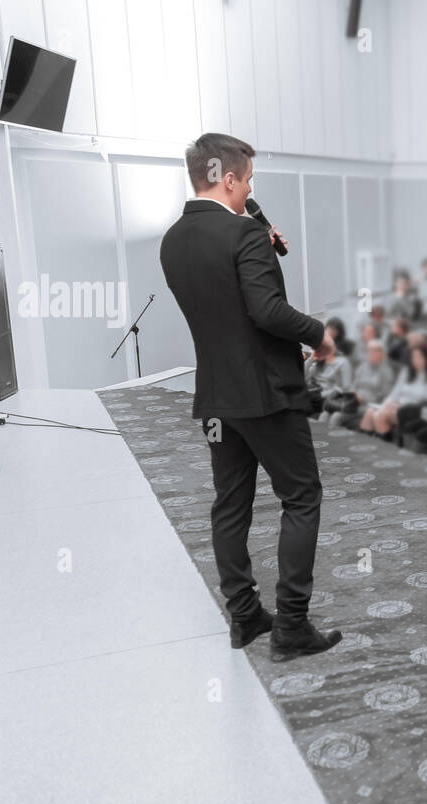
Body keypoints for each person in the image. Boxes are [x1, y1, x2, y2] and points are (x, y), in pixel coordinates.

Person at [159, 132, 341, 659]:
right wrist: (319, 334)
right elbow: (265, 312)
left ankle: (244, 616)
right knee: (302, 498)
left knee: (230, 505)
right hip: (264, 396)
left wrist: (260, 238)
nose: (250, 191)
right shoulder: (244, 236)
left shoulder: (173, 240)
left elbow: (228, 313)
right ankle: (291, 628)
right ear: (230, 178)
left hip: (216, 397)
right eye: (249, 181)